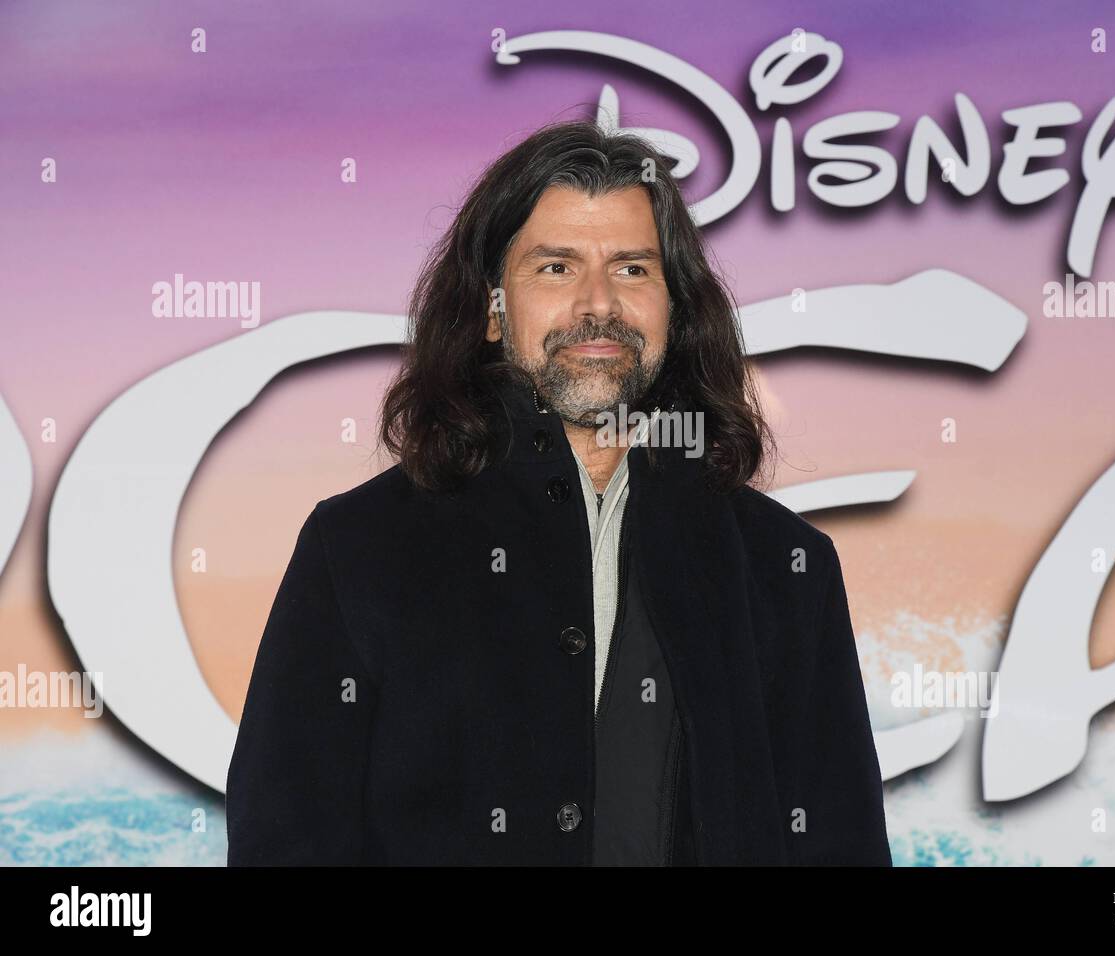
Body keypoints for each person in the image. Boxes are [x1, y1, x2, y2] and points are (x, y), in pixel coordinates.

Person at [225, 119, 891, 866]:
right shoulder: (358, 549)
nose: (597, 304)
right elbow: (283, 843)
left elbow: (842, 844)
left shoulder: (786, 567)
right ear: (489, 307)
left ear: (678, 307)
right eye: (555, 268)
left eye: (634, 269)